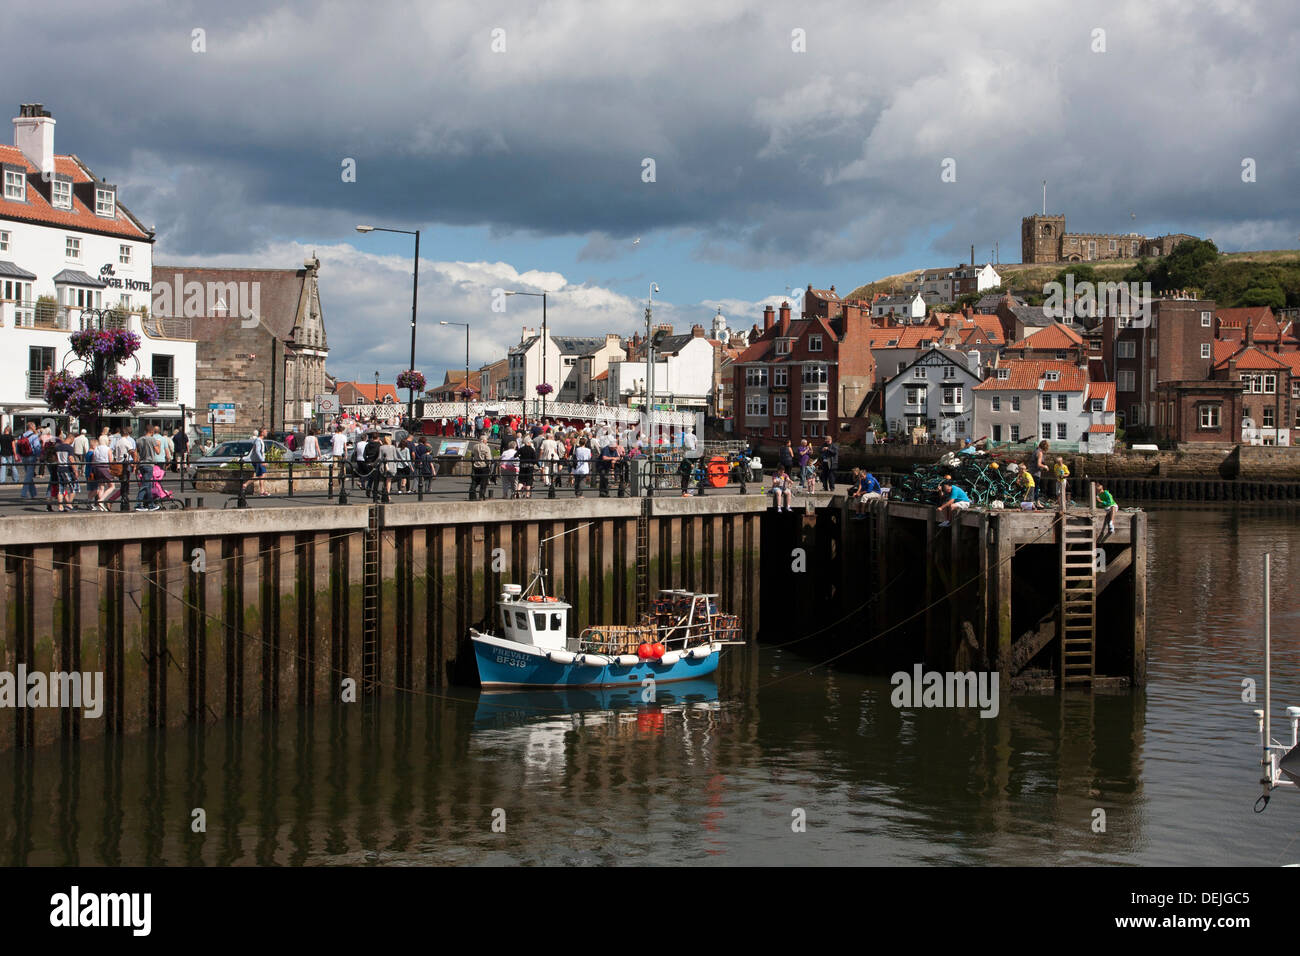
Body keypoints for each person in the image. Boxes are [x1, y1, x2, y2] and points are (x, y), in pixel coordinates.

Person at [242, 427, 269, 498]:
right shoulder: (258, 440)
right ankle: (246, 484)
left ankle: (262, 491)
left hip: (259, 460)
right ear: (262, 433)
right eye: (265, 431)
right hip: (258, 461)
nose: (267, 433)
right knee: (260, 475)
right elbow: (257, 451)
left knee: (262, 475)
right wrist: (262, 461)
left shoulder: (260, 440)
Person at [91, 436, 114, 510]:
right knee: (112, 486)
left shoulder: (96, 448)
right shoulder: (108, 449)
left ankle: (101, 506)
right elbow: (111, 461)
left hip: (97, 468)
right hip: (105, 467)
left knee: (101, 487)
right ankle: (101, 500)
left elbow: (93, 460)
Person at [19, 420, 41, 498]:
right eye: (34, 426)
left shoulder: (22, 435)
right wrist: (39, 456)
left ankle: (33, 493)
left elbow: (18, 446)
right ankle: (23, 493)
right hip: (31, 456)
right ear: (32, 427)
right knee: (28, 476)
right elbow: (37, 447)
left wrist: (19, 456)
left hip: (24, 457)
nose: (35, 427)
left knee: (29, 475)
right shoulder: (34, 436)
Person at [376, 434, 399, 502]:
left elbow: (379, 458)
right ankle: (387, 494)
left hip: (384, 465)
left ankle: (384, 493)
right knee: (389, 481)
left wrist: (374, 463)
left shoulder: (381, 447)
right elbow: (395, 457)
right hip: (391, 465)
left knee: (384, 480)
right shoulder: (393, 447)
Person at [469, 433, 492, 499]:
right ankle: (481, 496)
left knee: (475, 482)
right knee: (483, 483)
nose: (487, 441)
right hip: (484, 466)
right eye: (486, 440)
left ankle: (472, 495)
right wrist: (489, 465)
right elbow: (488, 459)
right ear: (483, 440)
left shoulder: (475, 446)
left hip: (476, 466)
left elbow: (472, 455)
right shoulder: (486, 447)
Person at [1031, 440, 1048, 508]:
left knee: (1032, 488)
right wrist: (1045, 467)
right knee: (1036, 488)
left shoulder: (1036, 450)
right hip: (1036, 473)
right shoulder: (1040, 453)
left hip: (1031, 471)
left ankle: (1035, 502)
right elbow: (1039, 464)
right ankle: (1036, 503)